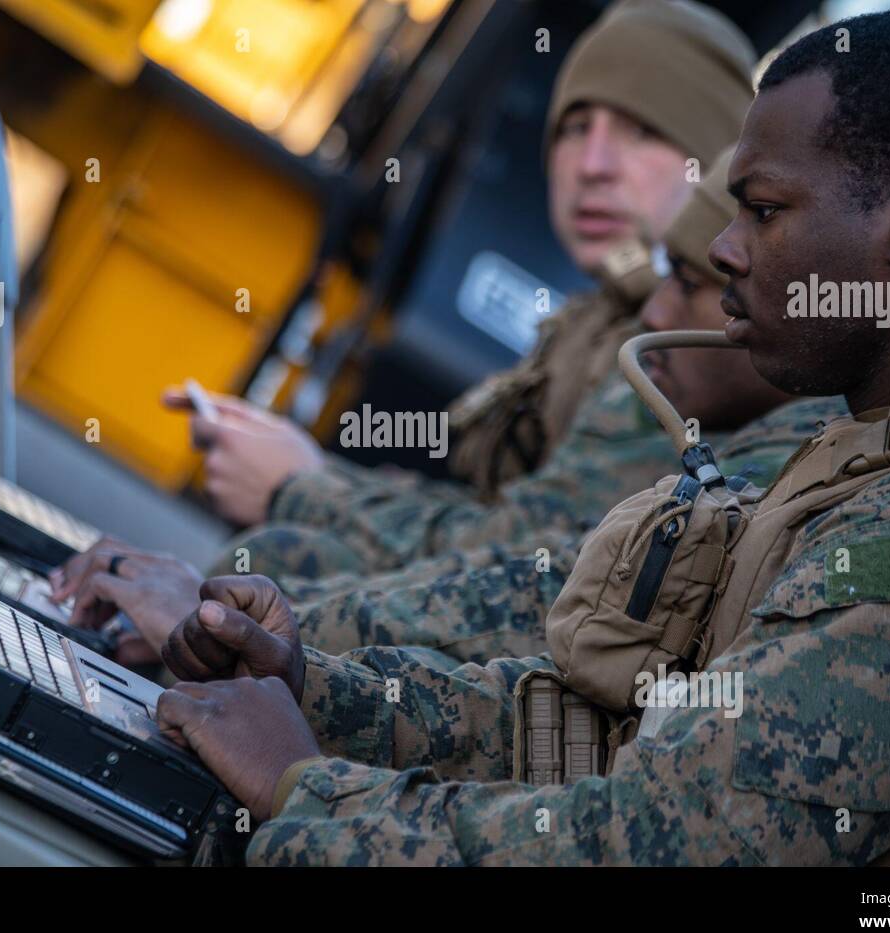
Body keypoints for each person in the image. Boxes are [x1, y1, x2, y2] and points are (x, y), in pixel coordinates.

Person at [149, 7, 890, 865]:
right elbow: (600, 736)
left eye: (764, 211)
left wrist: (301, 790)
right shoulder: (871, 461)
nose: (724, 252)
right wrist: (316, 687)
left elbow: (653, 844)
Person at [169, 0, 757, 581]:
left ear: (709, 170)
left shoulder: (682, 349)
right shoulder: (597, 318)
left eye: (643, 132)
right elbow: (496, 520)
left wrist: (299, 486)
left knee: (273, 566)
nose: (592, 164)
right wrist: (297, 464)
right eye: (576, 129)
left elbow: (525, 571)